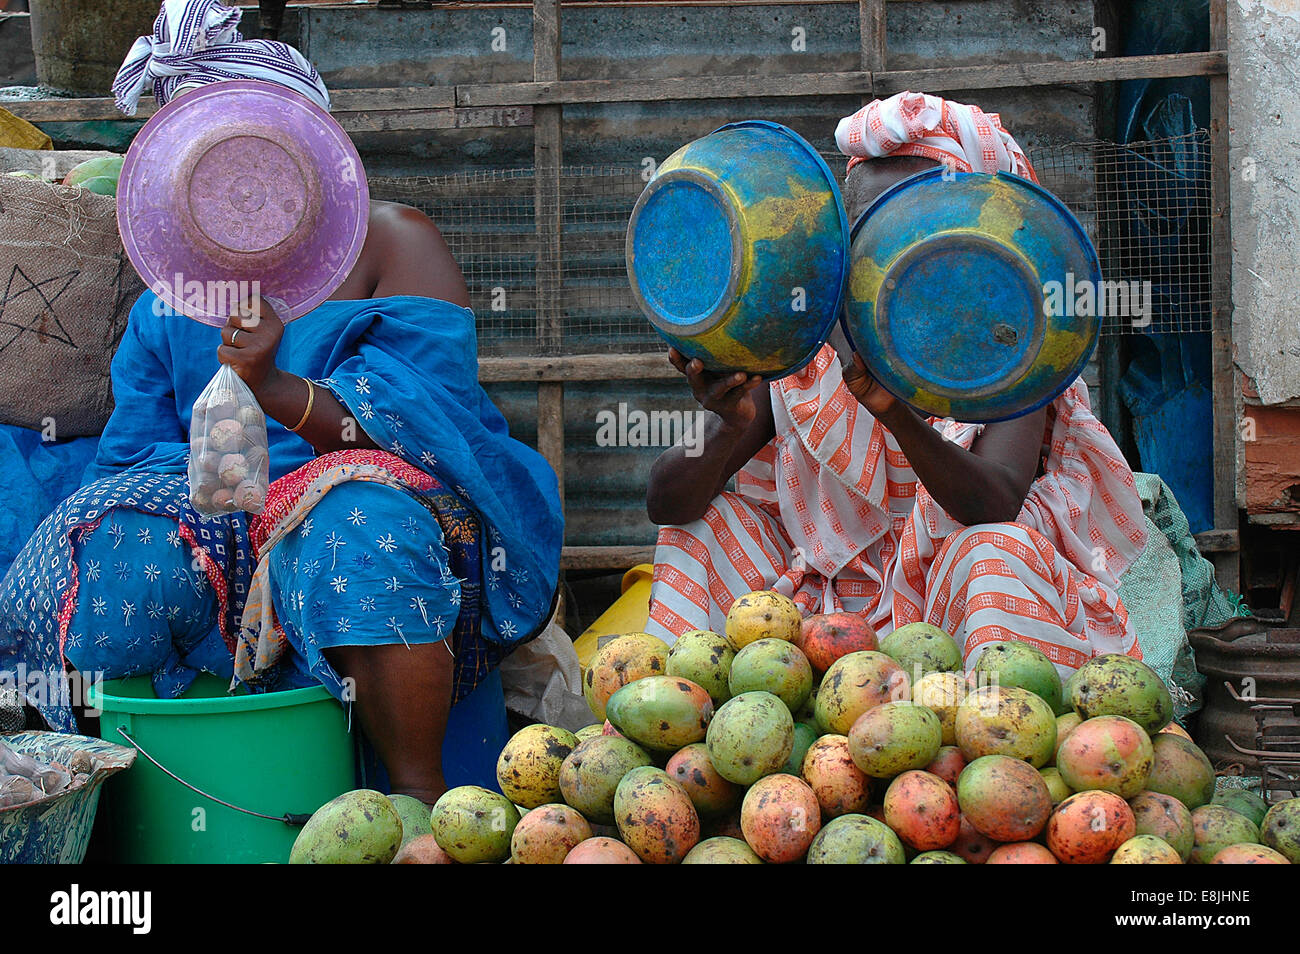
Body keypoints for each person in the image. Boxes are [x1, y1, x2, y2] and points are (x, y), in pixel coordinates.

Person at [0, 0, 562, 804]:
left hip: (376, 508)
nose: (244, 198)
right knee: (113, 541)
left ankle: (421, 805)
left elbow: (428, 424)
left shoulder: (395, 243)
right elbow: (131, 456)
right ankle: (164, 796)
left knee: (353, 522)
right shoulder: (167, 296)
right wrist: (206, 484)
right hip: (220, 521)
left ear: (312, 150)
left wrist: (277, 391)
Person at [645, 92, 1147, 677]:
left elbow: (994, 502)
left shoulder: (1011, 352)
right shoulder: (811, 336)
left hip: (951, 615)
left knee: (996, 551)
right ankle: (685, 725)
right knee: (700, 529)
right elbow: (666, 502)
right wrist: (727, 426)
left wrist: (894, 414)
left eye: (911, 218)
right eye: (868, 222)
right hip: (826, 612)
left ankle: (997, 731)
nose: (887, 243)